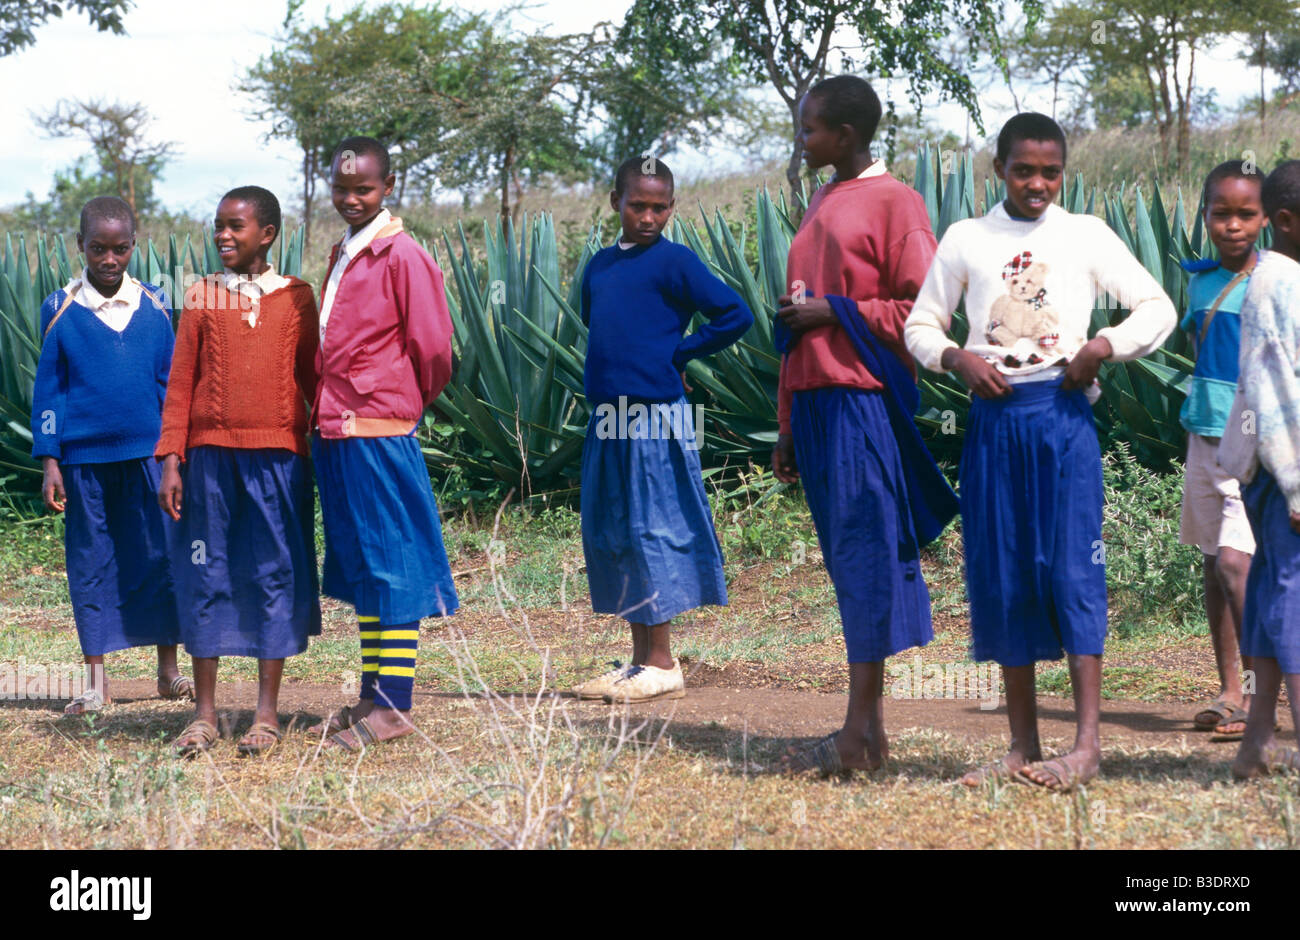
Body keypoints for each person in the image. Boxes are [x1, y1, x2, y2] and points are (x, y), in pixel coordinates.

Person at [905, 112, 1176, 791]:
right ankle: (1021, 744)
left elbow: (1156, 306)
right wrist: (956, 359)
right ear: (998, 169)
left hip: (1061, 420)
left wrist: (1102, 346)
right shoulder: (968, 238)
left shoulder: (1085, 235)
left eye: (1049, 171)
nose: (1036, 183)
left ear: (1064, 171)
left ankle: (1087, 746)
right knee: (1004, 573)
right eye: (1023, 170)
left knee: (1072, 569)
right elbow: (919, 324)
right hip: (996, 423)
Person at [771, 75, 955, 776]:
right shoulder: (822, 200)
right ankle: (865, 733)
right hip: (817, 406)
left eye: (810, 128)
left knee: (867, 555)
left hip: (862, 403)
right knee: (851, 559)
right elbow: (795, 319)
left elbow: (926, 314)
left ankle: (858, 734)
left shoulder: (896, 202)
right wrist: (788, 419)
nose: (803, 138)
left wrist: (834, 312)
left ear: (845, 136)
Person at [573, 155, 753, 704]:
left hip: (654, 416)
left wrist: (681, 353)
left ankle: (663, 662)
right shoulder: (599, 267)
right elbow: (599, 324)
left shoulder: (676, 262)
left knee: (653, 529)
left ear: (672, 208)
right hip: (609, 418)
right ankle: (635, 662)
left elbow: (735, 313)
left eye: (659, 207)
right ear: (616, 203)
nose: (648, 217)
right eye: (637, 205)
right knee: (616, 531)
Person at [157, 186, 321, 757]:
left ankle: (266, 714)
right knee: (208, 572)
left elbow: (313, 381)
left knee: (273, 574)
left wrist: (327, 445)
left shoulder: (297, 298)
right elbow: (180, 384)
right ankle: (204, 715)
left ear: (267, 234)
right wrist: (171, 459)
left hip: (279, 460)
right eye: (219, 226)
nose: (224, 235)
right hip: (208, 462)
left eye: (237, 226)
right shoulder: (201, 295)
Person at [308, 136, 458, 751]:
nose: (350, 198)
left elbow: (434, 351)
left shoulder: (402, 256)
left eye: (362, 189)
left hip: (378, 431)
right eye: (341, 190)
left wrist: (396, 403)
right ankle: (373, 695)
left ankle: (395, 708)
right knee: (367, 568)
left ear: (387, 187)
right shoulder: (345, 252)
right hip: (336, 428)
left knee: (394, 567)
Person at [30, 196, 190, 715]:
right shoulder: (60, 310)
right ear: (80, 246)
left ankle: (168, 672)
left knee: (159, 555)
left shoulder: (156, 305)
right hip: (84, 465)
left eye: (120, 249)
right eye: (97, 248)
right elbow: (49, 391)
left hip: (148, 459)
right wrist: (51, 459)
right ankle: (97, 681)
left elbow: (171, 387)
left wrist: (171, 459)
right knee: (90, 561)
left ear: (133, 247)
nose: (109, 259)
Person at [1180, 161, 1268, 739]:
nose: (1232, 225)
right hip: (1202, 436)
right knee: (1214, 564)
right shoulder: (1199, 281)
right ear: (1206, 215)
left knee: (1238, 565)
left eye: (1246, 214)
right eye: (1221, 213)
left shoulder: (1278, 281)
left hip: (1252, 443)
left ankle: (1259, 699)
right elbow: (1198, 346)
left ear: (1266, 218)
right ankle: (1229, 689)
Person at [1218, 159, 1300, 778]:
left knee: (1277, 596)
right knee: (1291, 602)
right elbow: (1277, 398)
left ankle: (1256, 744)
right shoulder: (1280, 285)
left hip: (1275, 472)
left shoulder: (1278, 279)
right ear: (1288, 222)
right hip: (1288, 472)